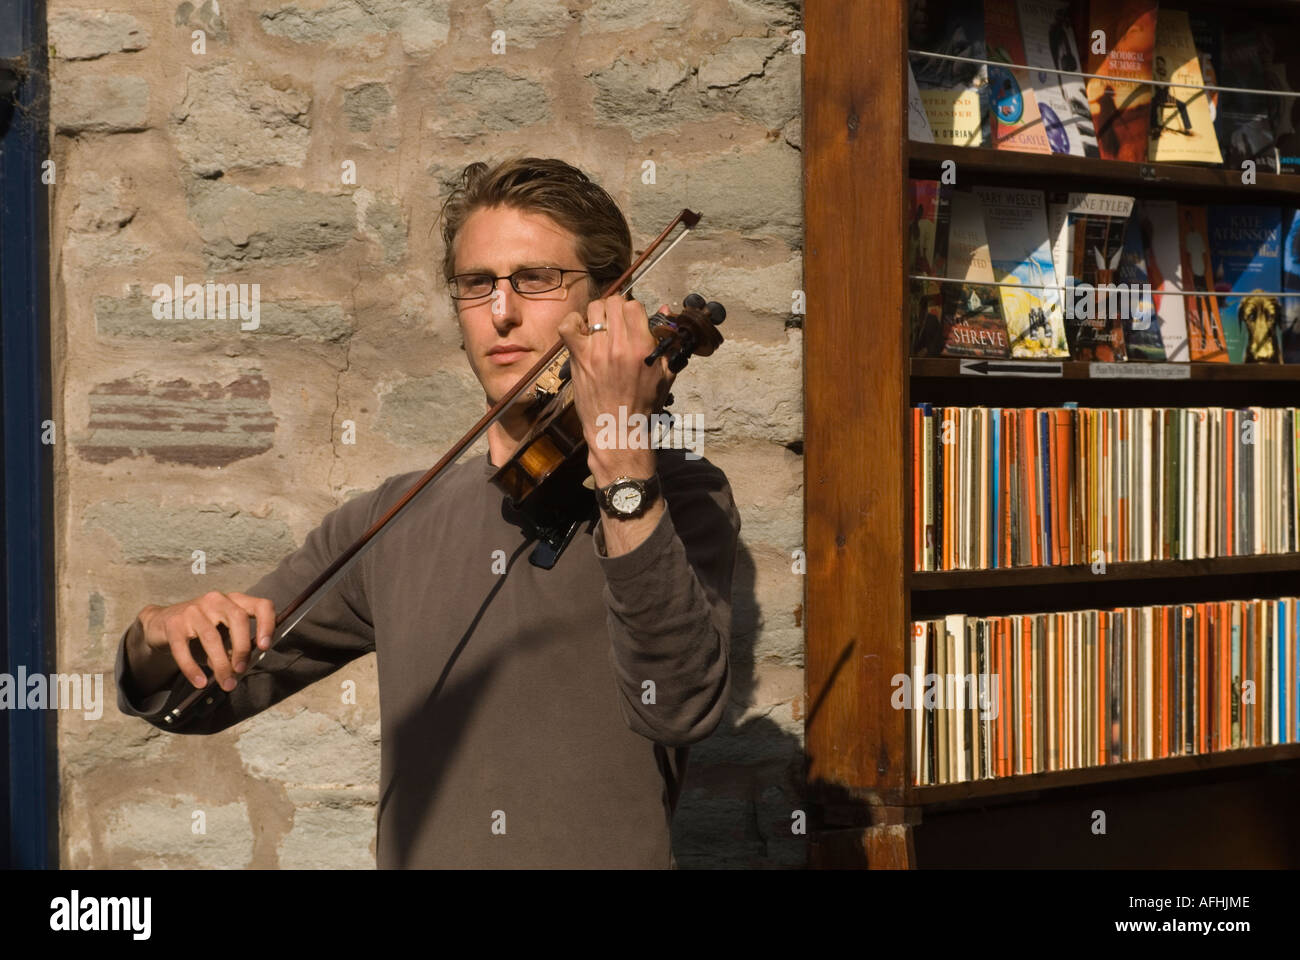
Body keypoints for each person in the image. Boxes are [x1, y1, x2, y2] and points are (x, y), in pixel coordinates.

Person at [114, 156, 741, 869]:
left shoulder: (679, 497)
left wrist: (623, 460)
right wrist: (155, 633)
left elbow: (679, 705)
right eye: (477, 285)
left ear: (605, 303)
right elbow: (186, 705)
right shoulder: (393, 521)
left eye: (535, 280)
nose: (501, 312)